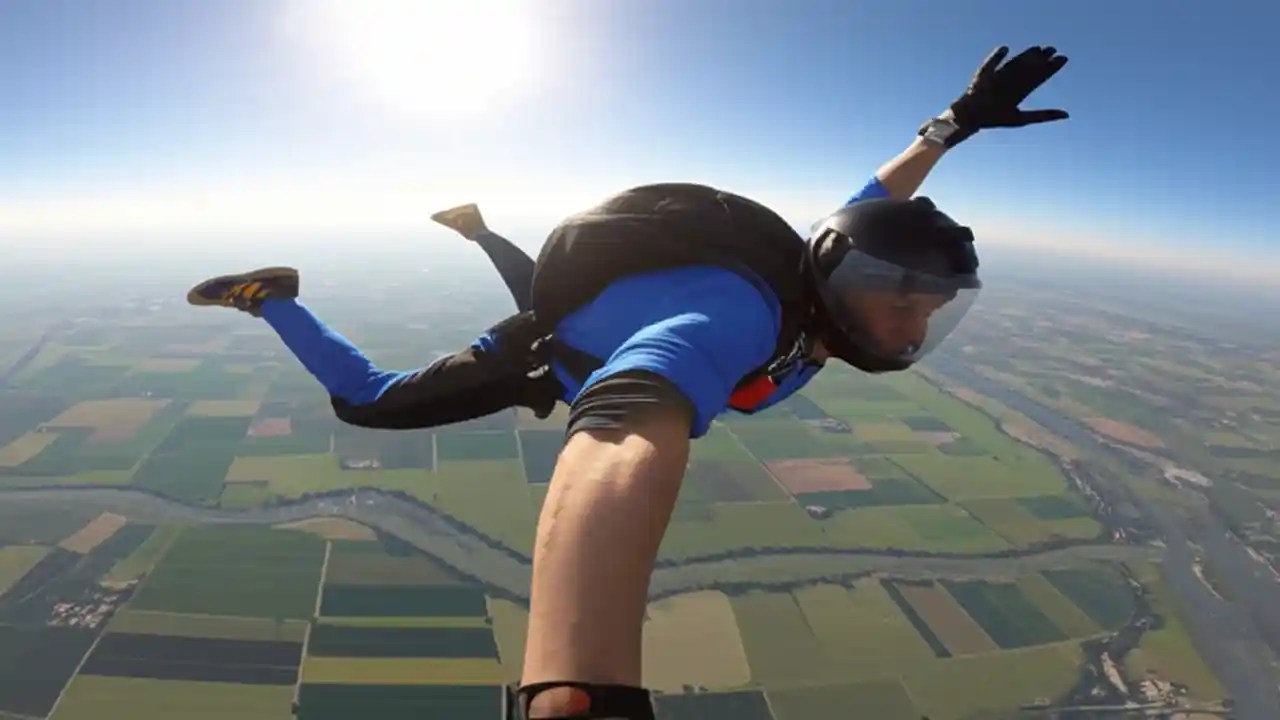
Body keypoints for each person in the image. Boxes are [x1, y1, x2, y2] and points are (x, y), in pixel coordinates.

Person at [187, 45, 1069, 719]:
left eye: (932, 306)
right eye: (902, 299)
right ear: (847, 281)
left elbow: (872, 196)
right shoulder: (737, 320)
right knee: (371, 400)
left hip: (605, 321)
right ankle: (276, 298)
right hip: (549, 357)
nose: (915, 324)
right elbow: (615, 436)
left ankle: (483, 232)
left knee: (544, 294)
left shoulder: (820, 274)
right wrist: (576, 687)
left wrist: (951, 124)